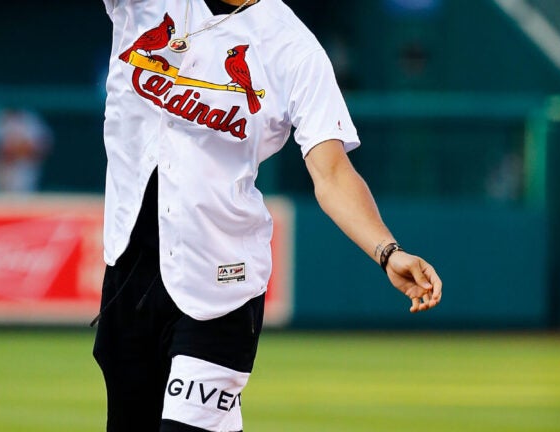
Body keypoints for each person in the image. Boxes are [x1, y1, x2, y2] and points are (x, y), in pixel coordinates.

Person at [93, 1, 443, 431]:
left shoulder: (291, 47)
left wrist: (388, 251)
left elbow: (332, 172)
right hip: (129, 273)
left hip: (221, 280)